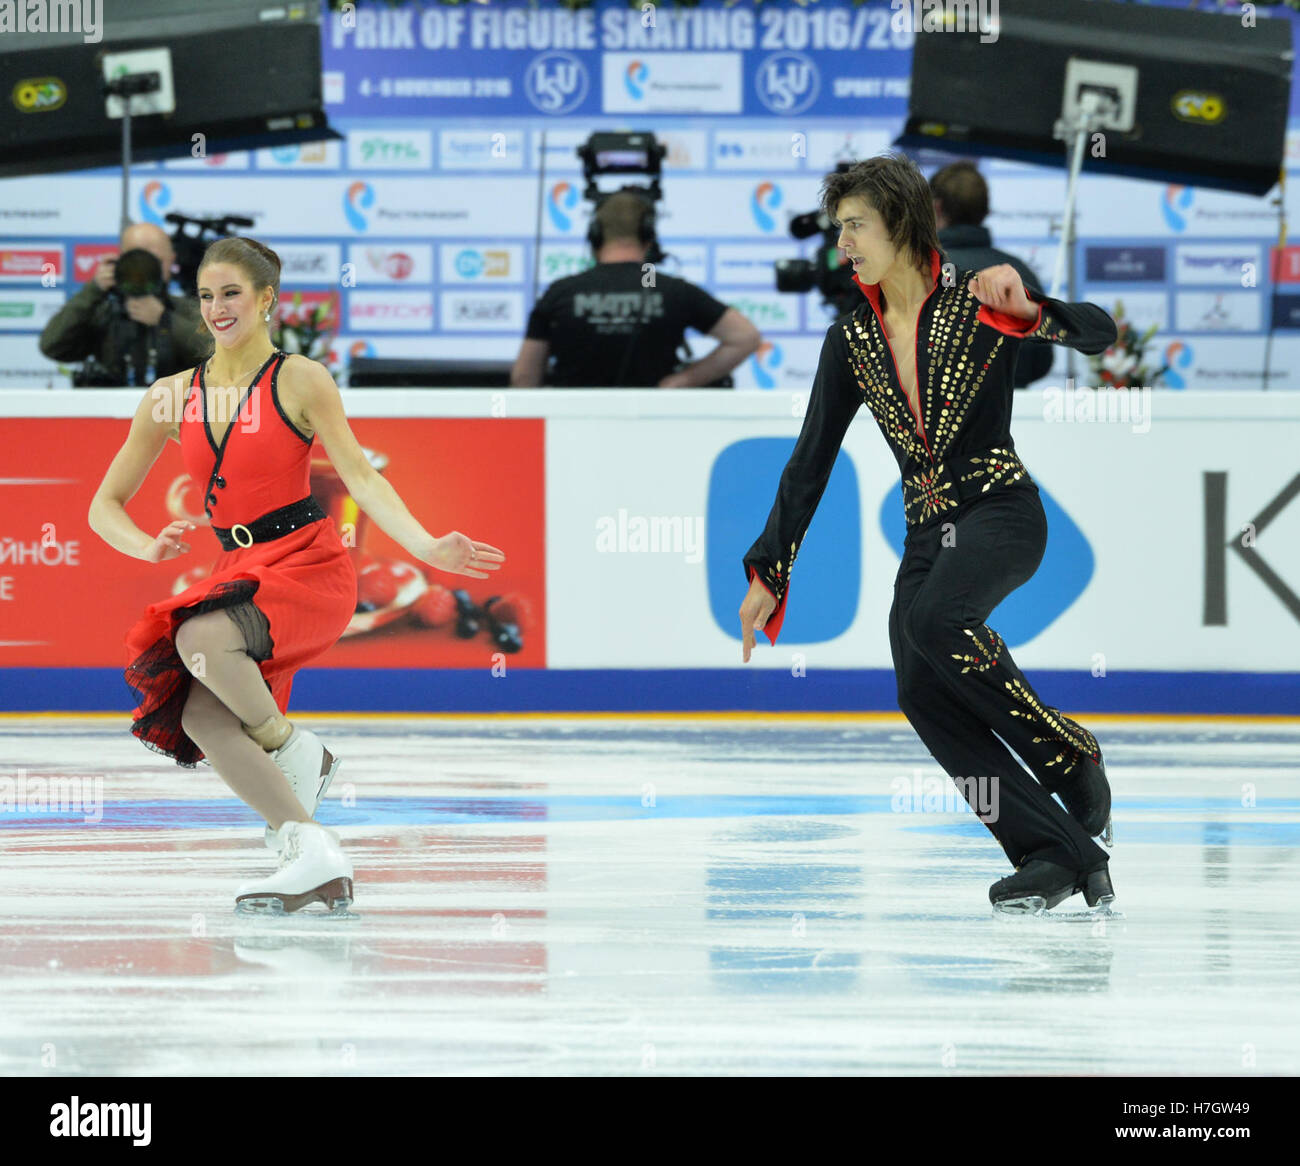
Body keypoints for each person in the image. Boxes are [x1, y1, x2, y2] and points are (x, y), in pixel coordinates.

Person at [738, 153, 1118, 916]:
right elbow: (810, 458)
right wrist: (769, 569)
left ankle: (1067, 753)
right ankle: (1048, 849)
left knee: (936, 620)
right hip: (927, 530)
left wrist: (1036, 310)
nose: (841, 243)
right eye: (838, 227)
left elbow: (1101, 334)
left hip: (1001, 512)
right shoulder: (851, 341)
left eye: (855, 226)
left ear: (902, 224)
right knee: (917, 684)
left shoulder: (980, 300)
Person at [87, 236, 505, 915]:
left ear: (266, 301)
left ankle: (292, 746)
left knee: (199, 638)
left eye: (231, 294)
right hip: (237, 568)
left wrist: (428, 545)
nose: (217, 308)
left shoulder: (300, 380)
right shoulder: (170, 398)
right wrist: (145, 545)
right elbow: (103, 505)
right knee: (200, 716)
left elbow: (362, 479)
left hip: (308, 565)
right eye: (205, 295)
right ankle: (309, 848)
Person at [511, 190, 761, 388]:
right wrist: (682, 381)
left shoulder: (561, 292)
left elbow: (524, 379)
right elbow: (745, 337)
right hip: (655, 431)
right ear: (648, 235)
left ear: (596, 236)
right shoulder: (667, 288)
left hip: (570, 434)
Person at [929, 160, 1054, 388]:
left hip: (939, 416)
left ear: (936, 208)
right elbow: (1041, 359)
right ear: (985, 210)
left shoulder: (923, 271)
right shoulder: (1018, 272)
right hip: (1012, 415)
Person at [40, 222, 209, 386]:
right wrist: (94, 290)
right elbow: (53, 346)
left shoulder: (189, 309)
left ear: (171, 261)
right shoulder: (106, 312)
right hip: (111, 409)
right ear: (122, 261)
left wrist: (164, 319)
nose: (144, 269)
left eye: (153, 260)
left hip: (176, 410)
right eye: (137, 260)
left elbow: (217, 354)